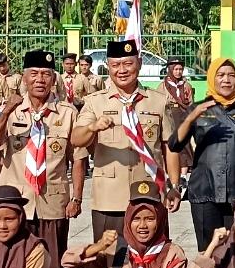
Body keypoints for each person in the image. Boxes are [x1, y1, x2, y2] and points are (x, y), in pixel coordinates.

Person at [0, 48, 85, 268]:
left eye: (46, 75)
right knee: (14, 257)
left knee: (52, 261)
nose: (40, 79)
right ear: (24, 78)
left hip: (52, 199)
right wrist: (5, 113)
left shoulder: (67, 112)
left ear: (54, 80)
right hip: (16, 202)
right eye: (34, 74)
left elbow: (78, 159)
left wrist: (77, 198)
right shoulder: (10, 111)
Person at [71, 38, 181, 241]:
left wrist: (174, 186)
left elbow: (170, 147)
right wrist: (92, 127)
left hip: (149, 192)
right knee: (111, 260)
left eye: (128, 64)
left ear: (138, 64)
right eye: (115, 65)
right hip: (109, 197)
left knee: (152, 260)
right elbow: (76, 138)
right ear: (108, 67)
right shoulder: (95, 102)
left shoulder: (158, 101)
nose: (121, 70)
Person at [170, 57, 235, 251]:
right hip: (204, 192)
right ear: (212, 78)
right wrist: (192, 115)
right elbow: (175, 144)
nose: (226, 80)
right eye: (221, 75)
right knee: (209, 252)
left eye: (231, 75)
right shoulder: (198, 108)